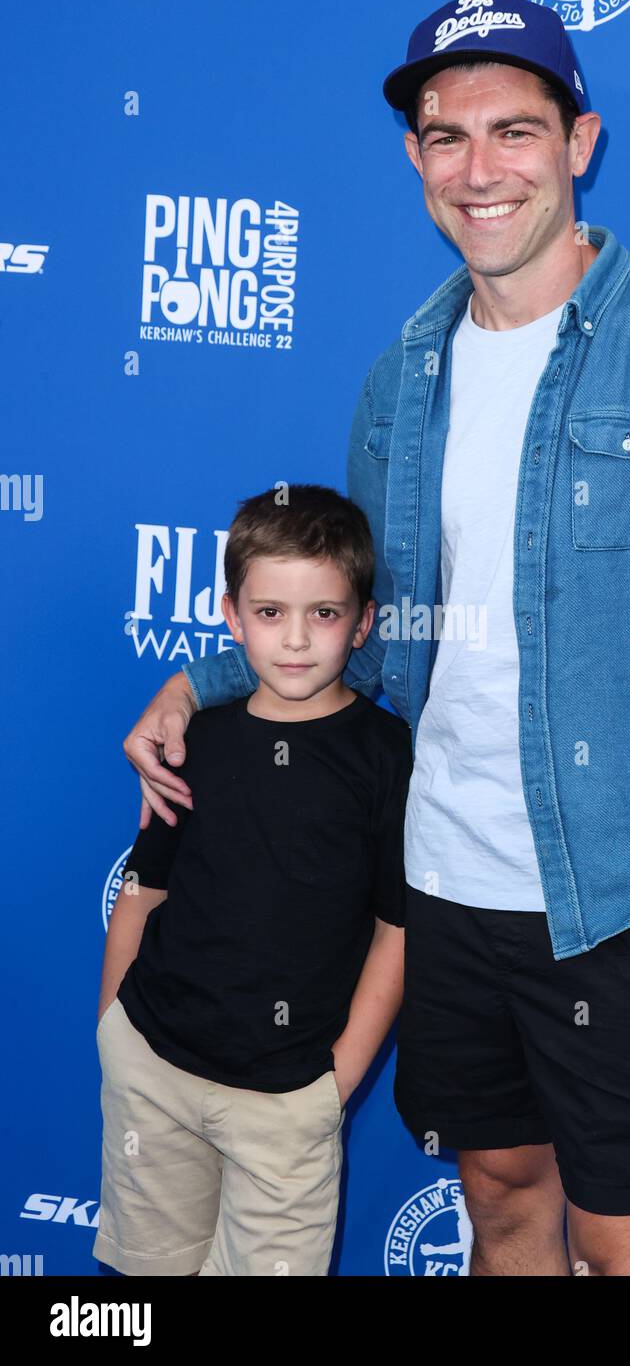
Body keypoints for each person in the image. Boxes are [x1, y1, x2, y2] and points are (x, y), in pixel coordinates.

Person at [122, 0, 630, 1276]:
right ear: (414, 159)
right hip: (441, 886)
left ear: (577, 141)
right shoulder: (401, 379)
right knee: (499, 1199)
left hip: (618, 903)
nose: (479, 169)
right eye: (447, 137)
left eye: (513, 131)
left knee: (626, 1248)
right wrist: (202, 677)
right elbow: (363, 629)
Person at [96, 485, 412, 1276]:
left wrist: (336, 1082)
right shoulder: (194, 732)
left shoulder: (388, 757)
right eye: (270, 614)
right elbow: (146, 883)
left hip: (287, 1101)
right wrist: (113, 1024)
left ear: (364, 622)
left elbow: (397, 926)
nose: (297, 640)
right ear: (231, 620)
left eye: (326, 614)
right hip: (152, 1070)